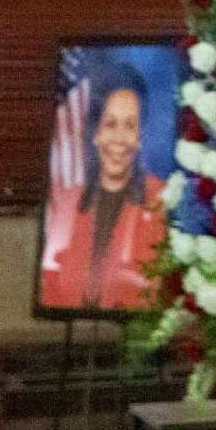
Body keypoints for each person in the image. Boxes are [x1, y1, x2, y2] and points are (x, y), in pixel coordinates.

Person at [42, 63, 166, 311]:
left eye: (130, 126)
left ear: (140, 136)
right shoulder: (68, 200)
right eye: (110, 124)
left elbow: (155, 289)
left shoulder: (160, 199)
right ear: (95, 133)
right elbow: (50, 284)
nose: (119, 139)